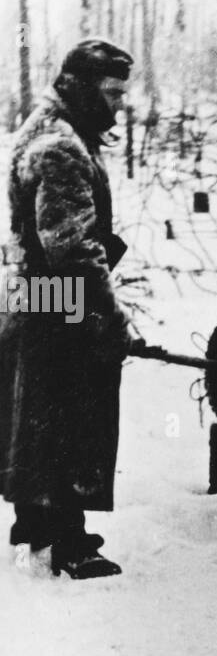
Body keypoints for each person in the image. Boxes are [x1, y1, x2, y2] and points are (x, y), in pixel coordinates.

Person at [0, 38, 136, 578]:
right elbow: (73, 250)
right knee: (72, 413)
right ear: (83, 88)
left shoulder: (51, 129)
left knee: (36, 413)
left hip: (36, 293)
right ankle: (68, 543)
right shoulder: (60, 145)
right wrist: (110, 321)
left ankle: (39, 523)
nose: (120, 103)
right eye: (112, 91)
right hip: (60, 299)